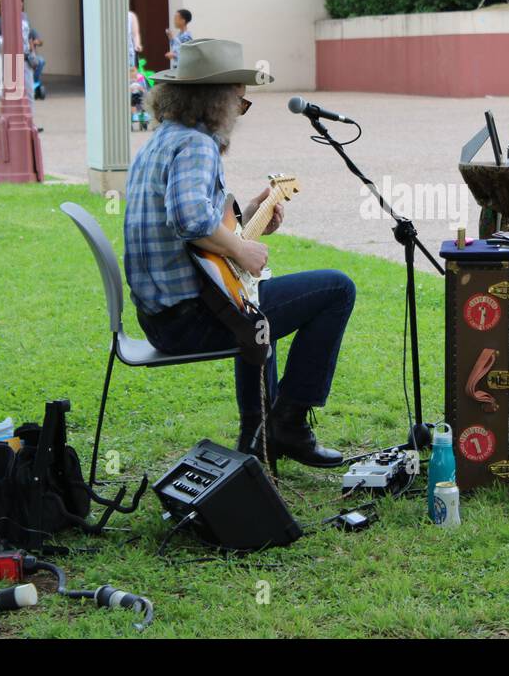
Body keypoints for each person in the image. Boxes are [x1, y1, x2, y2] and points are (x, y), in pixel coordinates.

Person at [123, 38, 357, 468]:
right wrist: (243, 252)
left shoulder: (162, 140)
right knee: (336, 289)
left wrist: (248, 217)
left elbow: (196, 228)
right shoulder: (196, 144)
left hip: (161, 315)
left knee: (251, 305)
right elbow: (190, 221)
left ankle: (258, 429)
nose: (239, 111)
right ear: (216, 100)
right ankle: (285, 422)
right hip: (187, 320)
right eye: (239, 102)